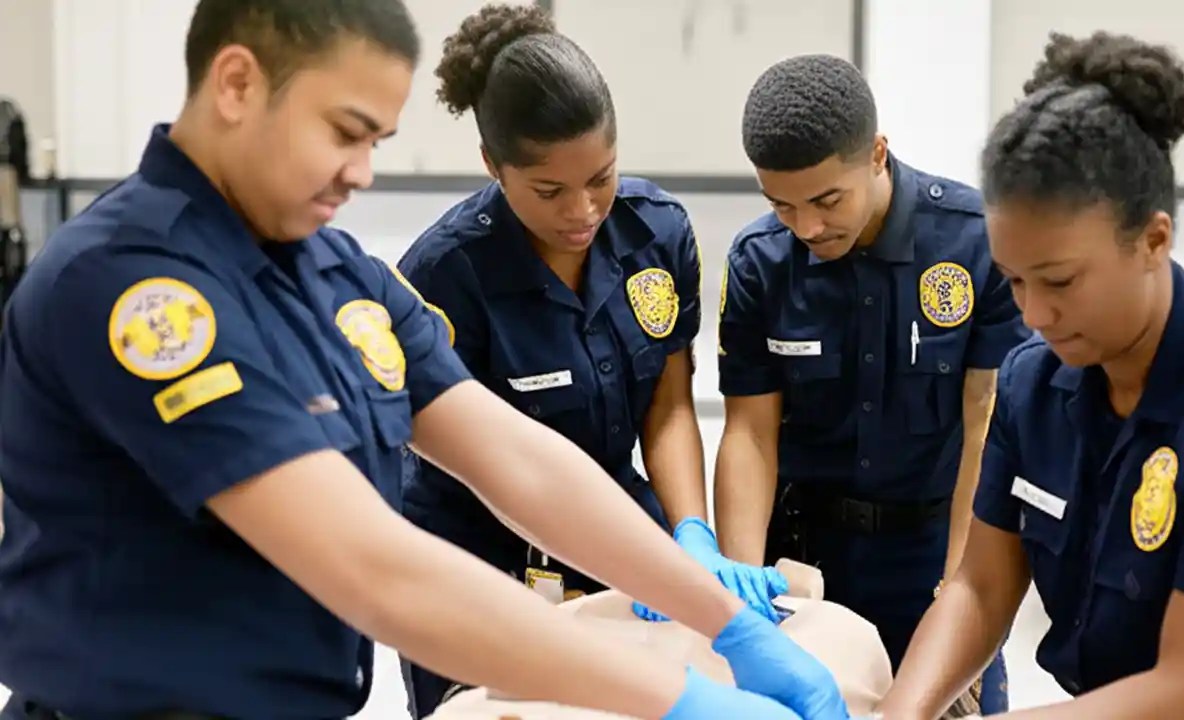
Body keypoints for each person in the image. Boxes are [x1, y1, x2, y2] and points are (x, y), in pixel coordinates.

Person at [0, 2, 853, 719]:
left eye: (380, 139)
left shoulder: (342, 279)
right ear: (236, 84)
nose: (365, 173)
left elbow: (521, 461)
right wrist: (679, 699)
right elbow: (377, 570)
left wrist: (720, 618)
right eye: (346, 132)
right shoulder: (135, 294)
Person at [872, 31, 1184, 720]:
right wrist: (900, 714)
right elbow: (980, 588)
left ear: (1153, 240)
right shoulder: (1034, 384)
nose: (1035, 313)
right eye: (1014, 281)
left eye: (1059, 281)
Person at [395, 4, 788, 715]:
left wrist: (689, 533)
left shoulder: (656, 233)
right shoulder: (446, 276)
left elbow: (669, 406)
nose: (582, 210)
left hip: (613, 524)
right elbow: (484, 461)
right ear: (494, 167)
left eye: (601, 177)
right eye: (550, 191)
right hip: (477, 553)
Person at [711, 53, 1032, 716]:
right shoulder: (759, 263)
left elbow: (985, 429)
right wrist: (736, 605)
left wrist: (959, 596)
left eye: (827, 201)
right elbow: (749, 434)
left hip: (933, 553)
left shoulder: (975, 244)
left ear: (877, 155)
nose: (807, 227)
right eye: (782, 205)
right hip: (805, 564)